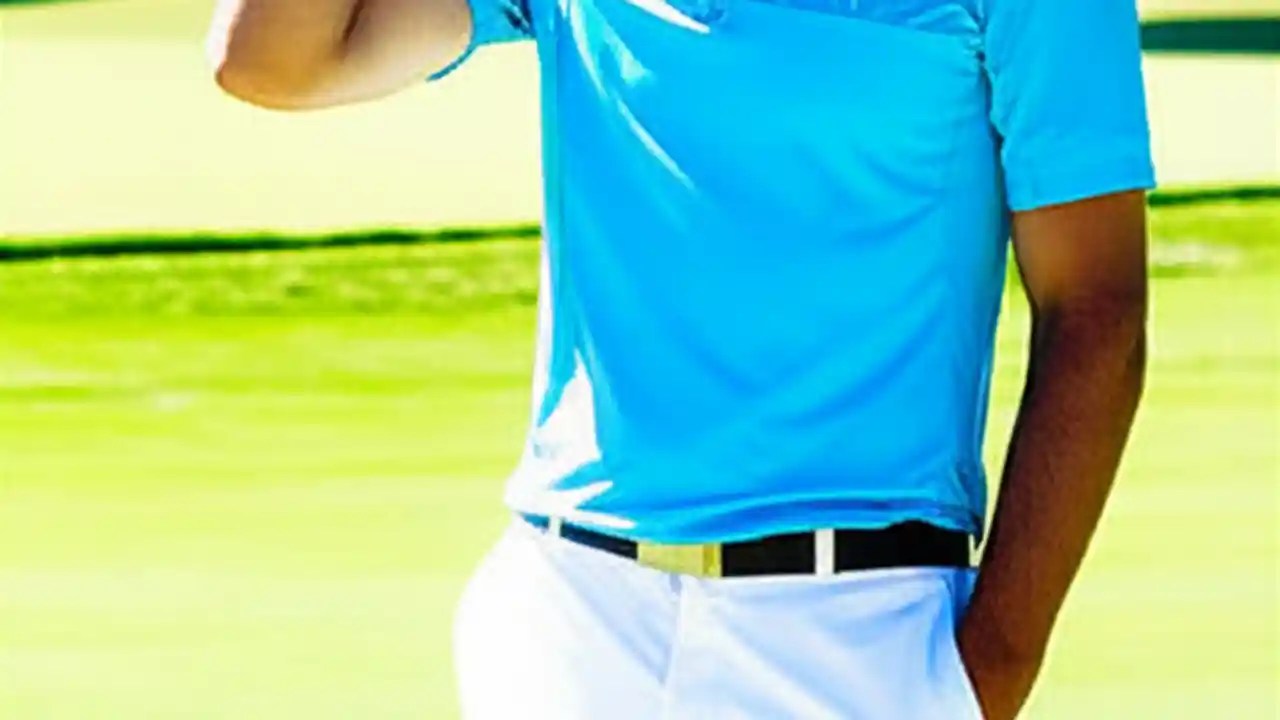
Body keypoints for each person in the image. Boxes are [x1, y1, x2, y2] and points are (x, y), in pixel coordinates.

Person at [208, 0, 1153, 716]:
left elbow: (1095, 314)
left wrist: (984, 673)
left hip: (862, 633)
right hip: (569, 618)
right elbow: (272, 57)